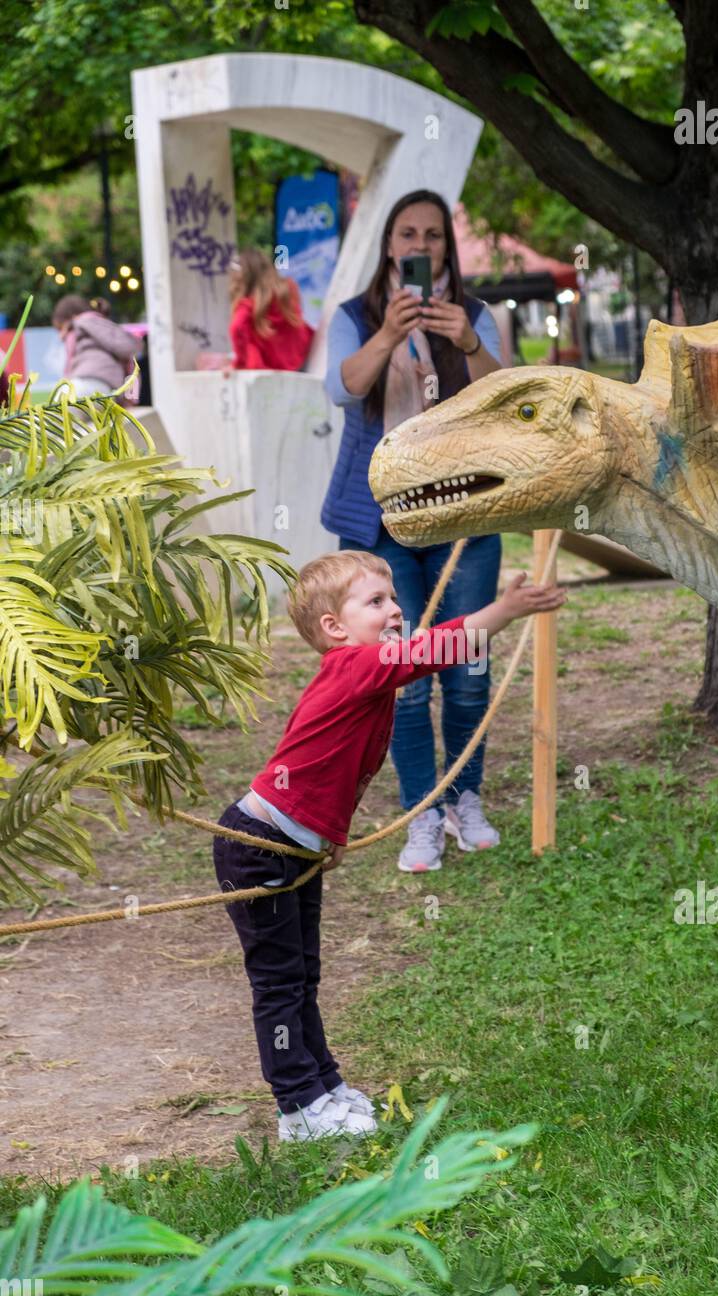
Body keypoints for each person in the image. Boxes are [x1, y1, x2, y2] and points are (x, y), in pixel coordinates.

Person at [213, 549, 566, 1142]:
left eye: (394, 598)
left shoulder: (364, 677)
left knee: (302, 977)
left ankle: (323, 1087)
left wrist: (329, 838)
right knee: (278, 983)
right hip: (259, 844)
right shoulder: (353, 666)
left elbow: (328, 769)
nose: (396, 609)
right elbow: (431, 651)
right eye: (376, 602)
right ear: (334, 628)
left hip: (293, 845)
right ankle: (298, 1108)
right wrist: (504, 610)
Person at [321, 189, 504, 873]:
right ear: (389, 244)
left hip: (465, 513)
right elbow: (341, 388)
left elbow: (510, 395)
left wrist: (467, 340)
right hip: (381, 519)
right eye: (407, 233)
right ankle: (420, 813)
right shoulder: (354, 316)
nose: (419, 245)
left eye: (431, 235)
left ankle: (466, 800)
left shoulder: (477, 314)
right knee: (403, 678)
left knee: (467, 669)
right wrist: (390, 334)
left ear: (446, 246)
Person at [228, 248, 313, 370]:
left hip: (265, 366)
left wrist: (239, 362)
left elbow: (236, 328)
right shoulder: (289, 288)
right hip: (298, 360)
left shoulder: (248, 304)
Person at [52, 294, 141, 397]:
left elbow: (69, 366)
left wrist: (65, 381)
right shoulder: (107, 327)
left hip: (82, 385)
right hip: (109, 390)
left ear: (71, 319)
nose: (60, 336)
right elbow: (129, 360)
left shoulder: (74, 328)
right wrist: (130, 396)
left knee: (60, 401)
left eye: (60, 329)